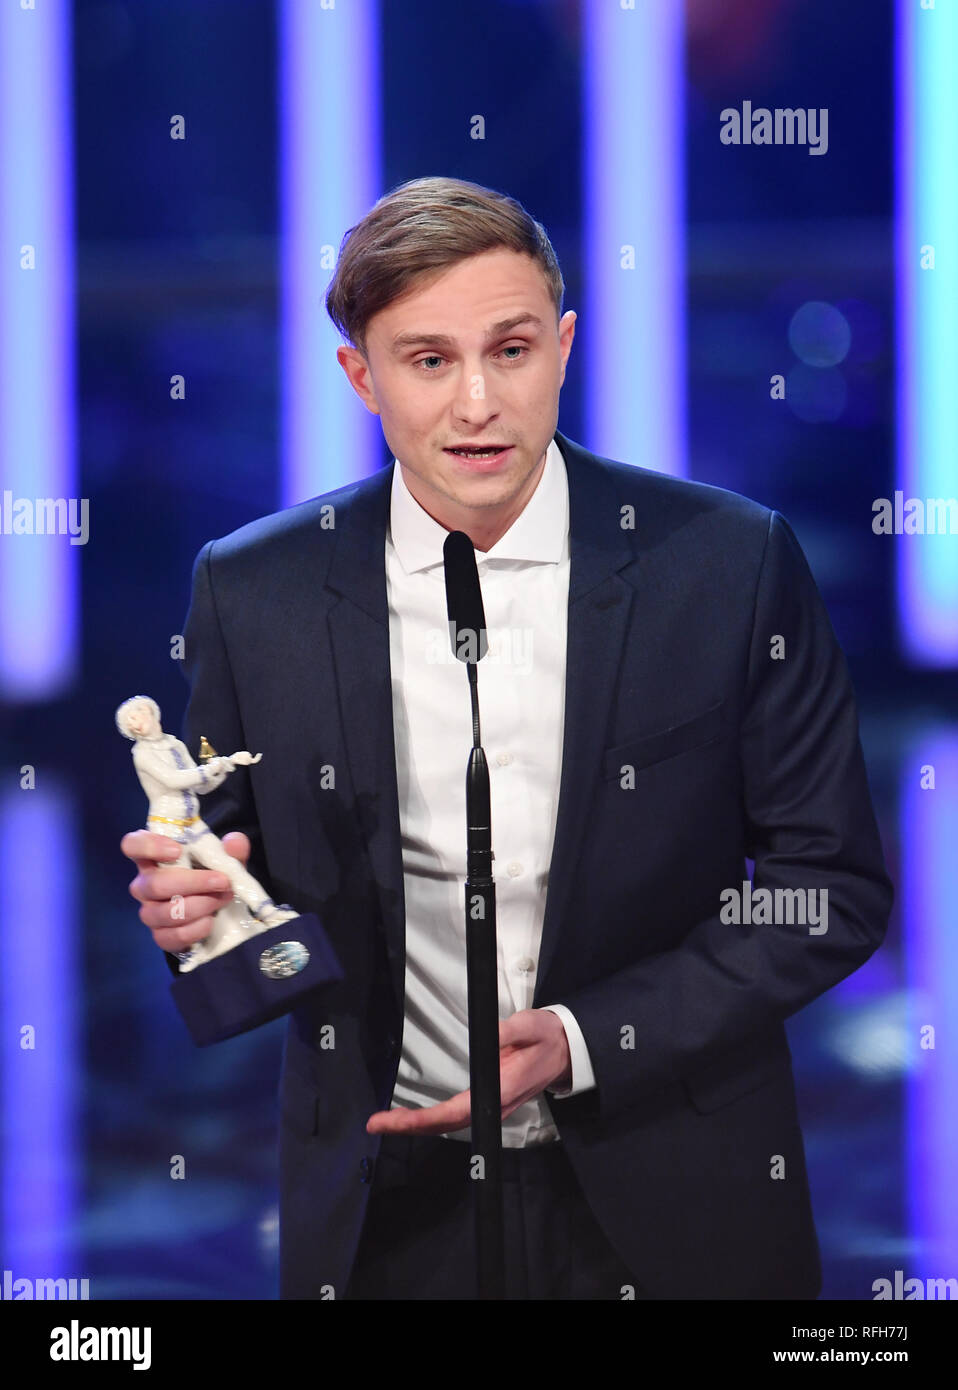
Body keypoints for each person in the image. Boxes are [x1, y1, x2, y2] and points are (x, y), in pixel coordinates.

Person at [122, 175, 893, 1300]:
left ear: (565, 347)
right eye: (429, 360)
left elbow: (827, 885)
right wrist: (194, 913)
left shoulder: (726, 565)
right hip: (385, 1207)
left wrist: (584, 1038)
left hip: (674, 1195)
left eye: (512, 349)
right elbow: (237, 881)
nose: (478, 401)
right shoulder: (255, 590)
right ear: (360, 375)